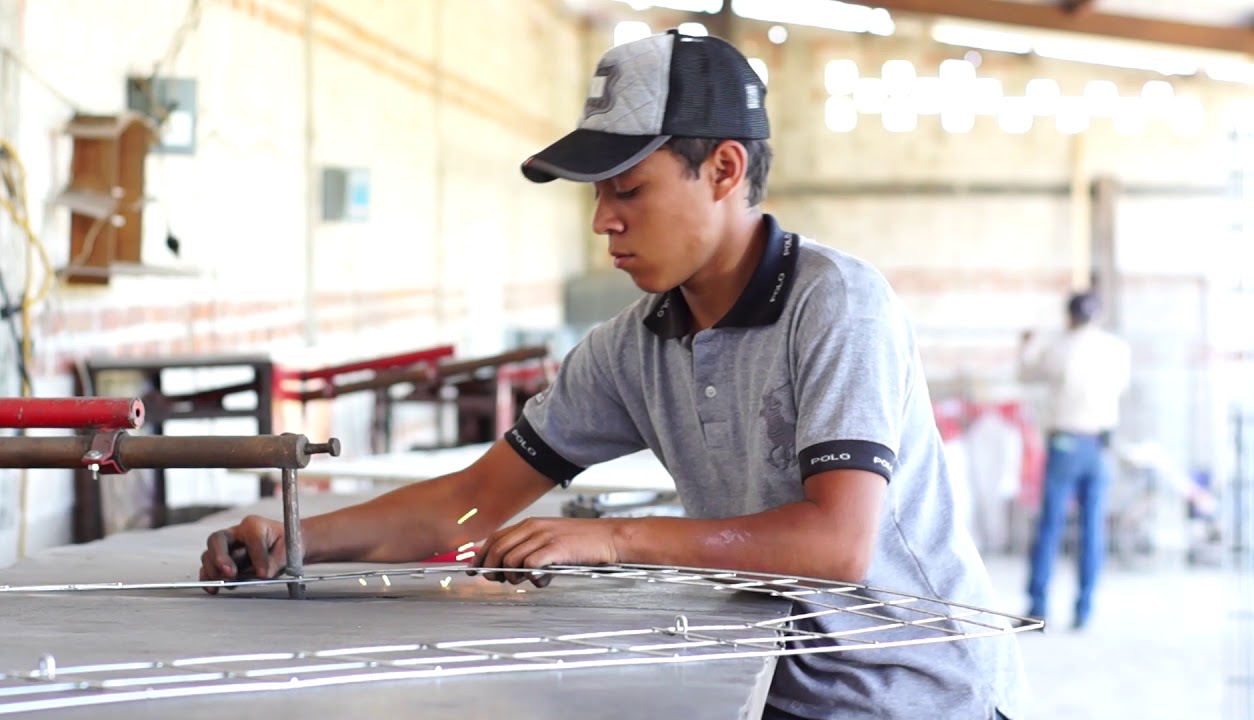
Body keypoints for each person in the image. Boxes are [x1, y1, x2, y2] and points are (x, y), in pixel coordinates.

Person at [200, 30, 1027, 719]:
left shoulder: (837, 304)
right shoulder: (632, 346)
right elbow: (469, 502)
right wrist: (296, 537)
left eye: (628, 189)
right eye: (597, 195)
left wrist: (611, 537)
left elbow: (837, 543)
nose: (604, 221)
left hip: (917, 690)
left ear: (725, 170)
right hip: (780, 682)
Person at [1020, 291, 1131, 630]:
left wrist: (1027, 345)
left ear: (1069, 316)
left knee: (1051, 526)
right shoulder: (1116, 349)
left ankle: (1038, 607)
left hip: (1065, 442)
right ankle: (1084, 609)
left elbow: (1027, 374)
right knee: (1092, 530)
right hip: (1100, 445)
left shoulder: (1059, 347)